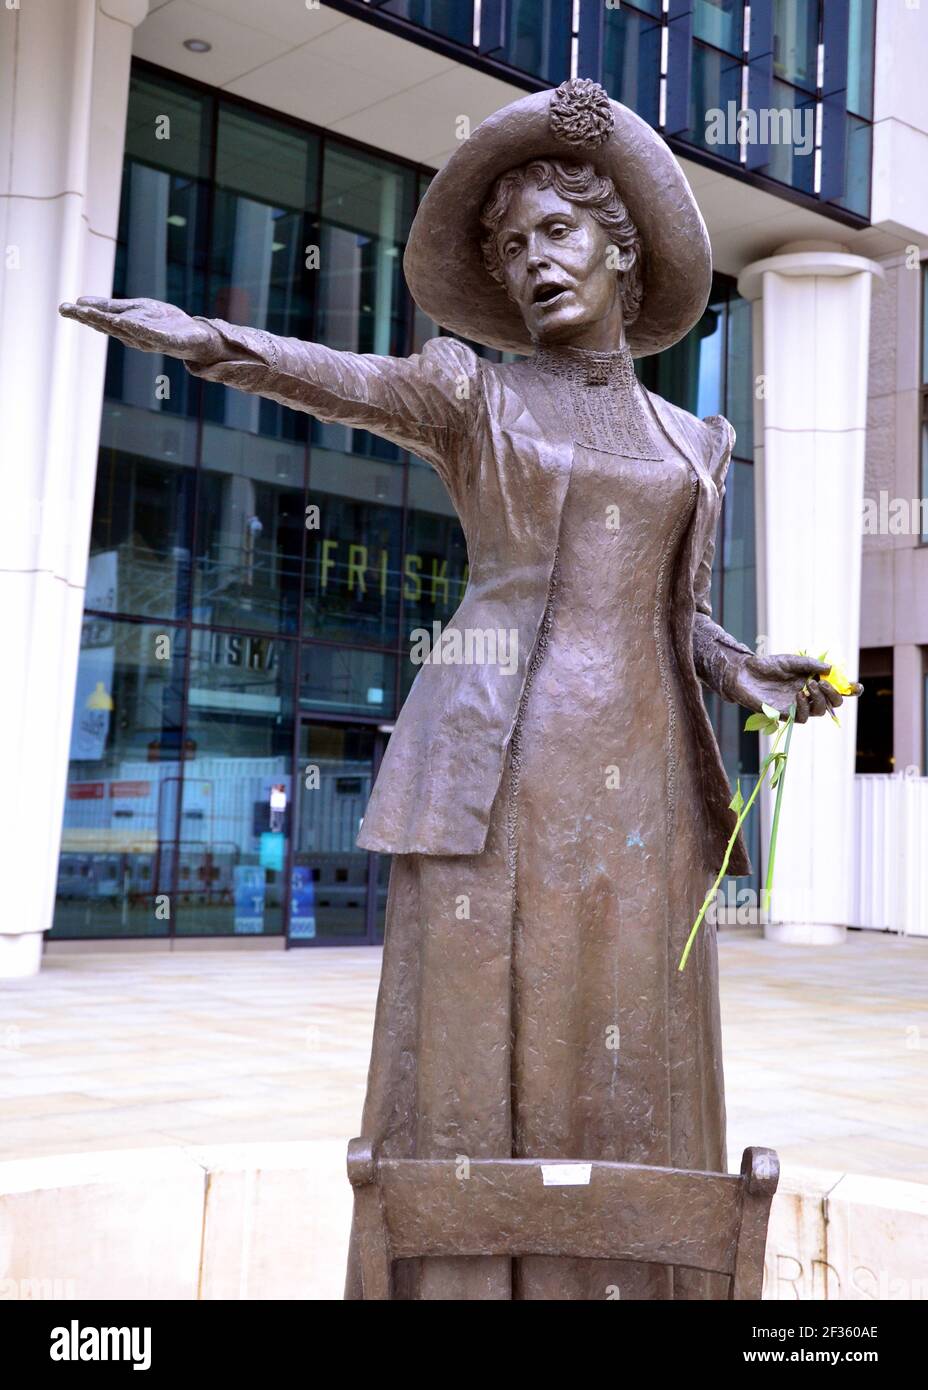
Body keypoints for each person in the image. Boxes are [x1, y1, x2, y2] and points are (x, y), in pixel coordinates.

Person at [61, 79, 860, 1300]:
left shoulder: (692, 440)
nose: (532, 261)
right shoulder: (472, 394)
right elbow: (335, 378)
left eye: (556, 232)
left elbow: (671, 610)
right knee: (476, 1039)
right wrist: (204, 341)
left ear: (621, 250)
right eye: (508, 245)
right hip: (496, 768)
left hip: (641, 777)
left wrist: (742, 668)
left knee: (625, 1037)